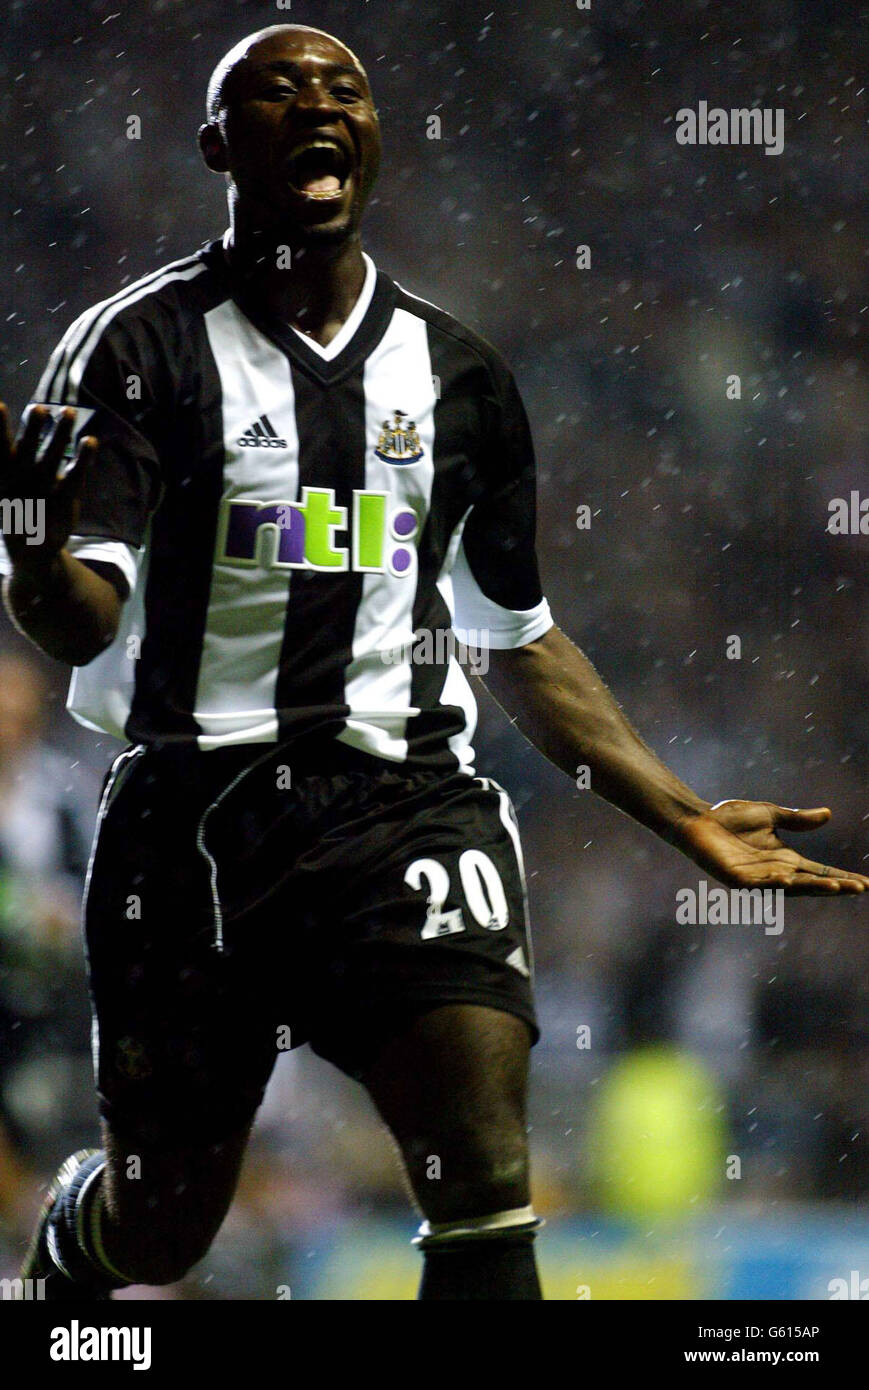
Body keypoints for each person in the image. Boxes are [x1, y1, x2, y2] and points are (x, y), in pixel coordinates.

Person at [0, 24, 864, 1303]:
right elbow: (76, 623)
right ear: (214, 146)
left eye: (342, 88)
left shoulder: (456, 376)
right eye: (275, 92)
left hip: (403, 802)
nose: (317, 107)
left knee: (481, 1168)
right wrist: (24, 532)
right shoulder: (137, 350)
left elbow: (516, 631)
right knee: (166, 1221)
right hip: (194, 819)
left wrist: (683, 819)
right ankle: (79, 1242)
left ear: (375, 141)